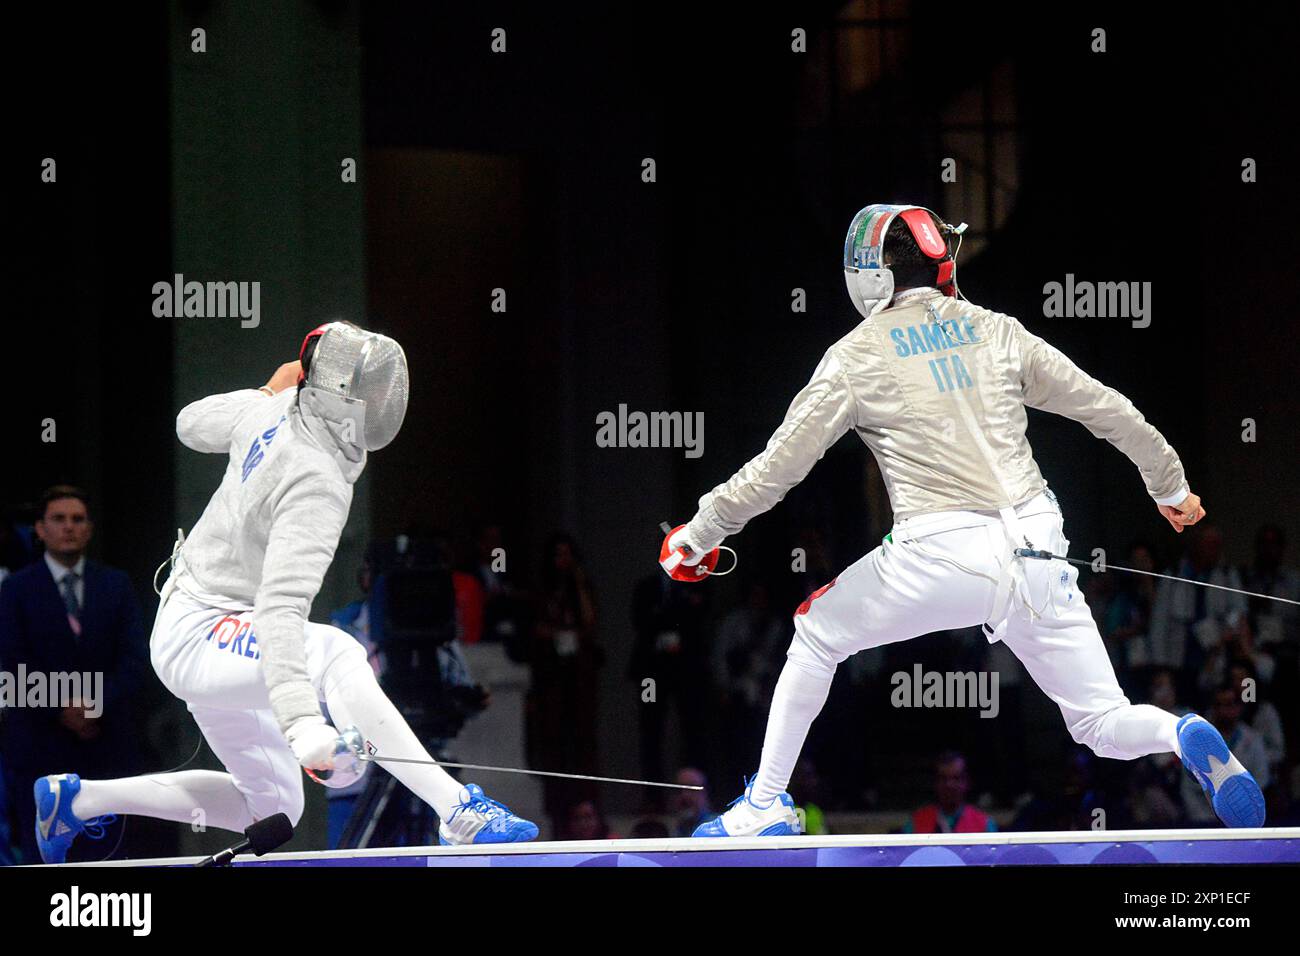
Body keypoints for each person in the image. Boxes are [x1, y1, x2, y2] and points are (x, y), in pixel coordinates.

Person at [662, 203, 1265, 836]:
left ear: (867, 275)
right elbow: (1104, 406)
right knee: (1100, 723)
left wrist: (696, 537)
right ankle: (1182, 731)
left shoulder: (855, 356)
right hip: (1040, 547)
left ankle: (764, 806)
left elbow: (774, 472)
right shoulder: (998, 330)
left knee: (817, 632)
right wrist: (1169, 484)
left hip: (941, 552)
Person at [31, 322, 536, 864]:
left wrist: (266, 394)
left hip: (212, 627)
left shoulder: (274, 408)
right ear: (342, 394)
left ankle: (77, 801)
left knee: (271, 805)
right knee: (337, 652)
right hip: (203, 631)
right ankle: (456, 810)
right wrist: (302, 724)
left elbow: (189, 424)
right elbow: (282, 608)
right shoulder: (318, 477)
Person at [1, 485, 149, 863]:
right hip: (40, 746)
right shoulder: (14, 590)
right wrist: (61, 710)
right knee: (44, 860)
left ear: (89, 528)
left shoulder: (116, 585)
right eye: (59, 519)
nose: (69, 527)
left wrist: (93, 706)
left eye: (77, 519)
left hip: (107, 746)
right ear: (40, 528)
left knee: (111, 856)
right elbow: (10, 663)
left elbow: (135, 660)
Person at [902, 752, 996, 834]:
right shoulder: (916, 823)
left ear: (967, 782)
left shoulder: (984, 823)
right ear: (935, 782)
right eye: (943, 778)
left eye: (956, 778)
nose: (949, 785)